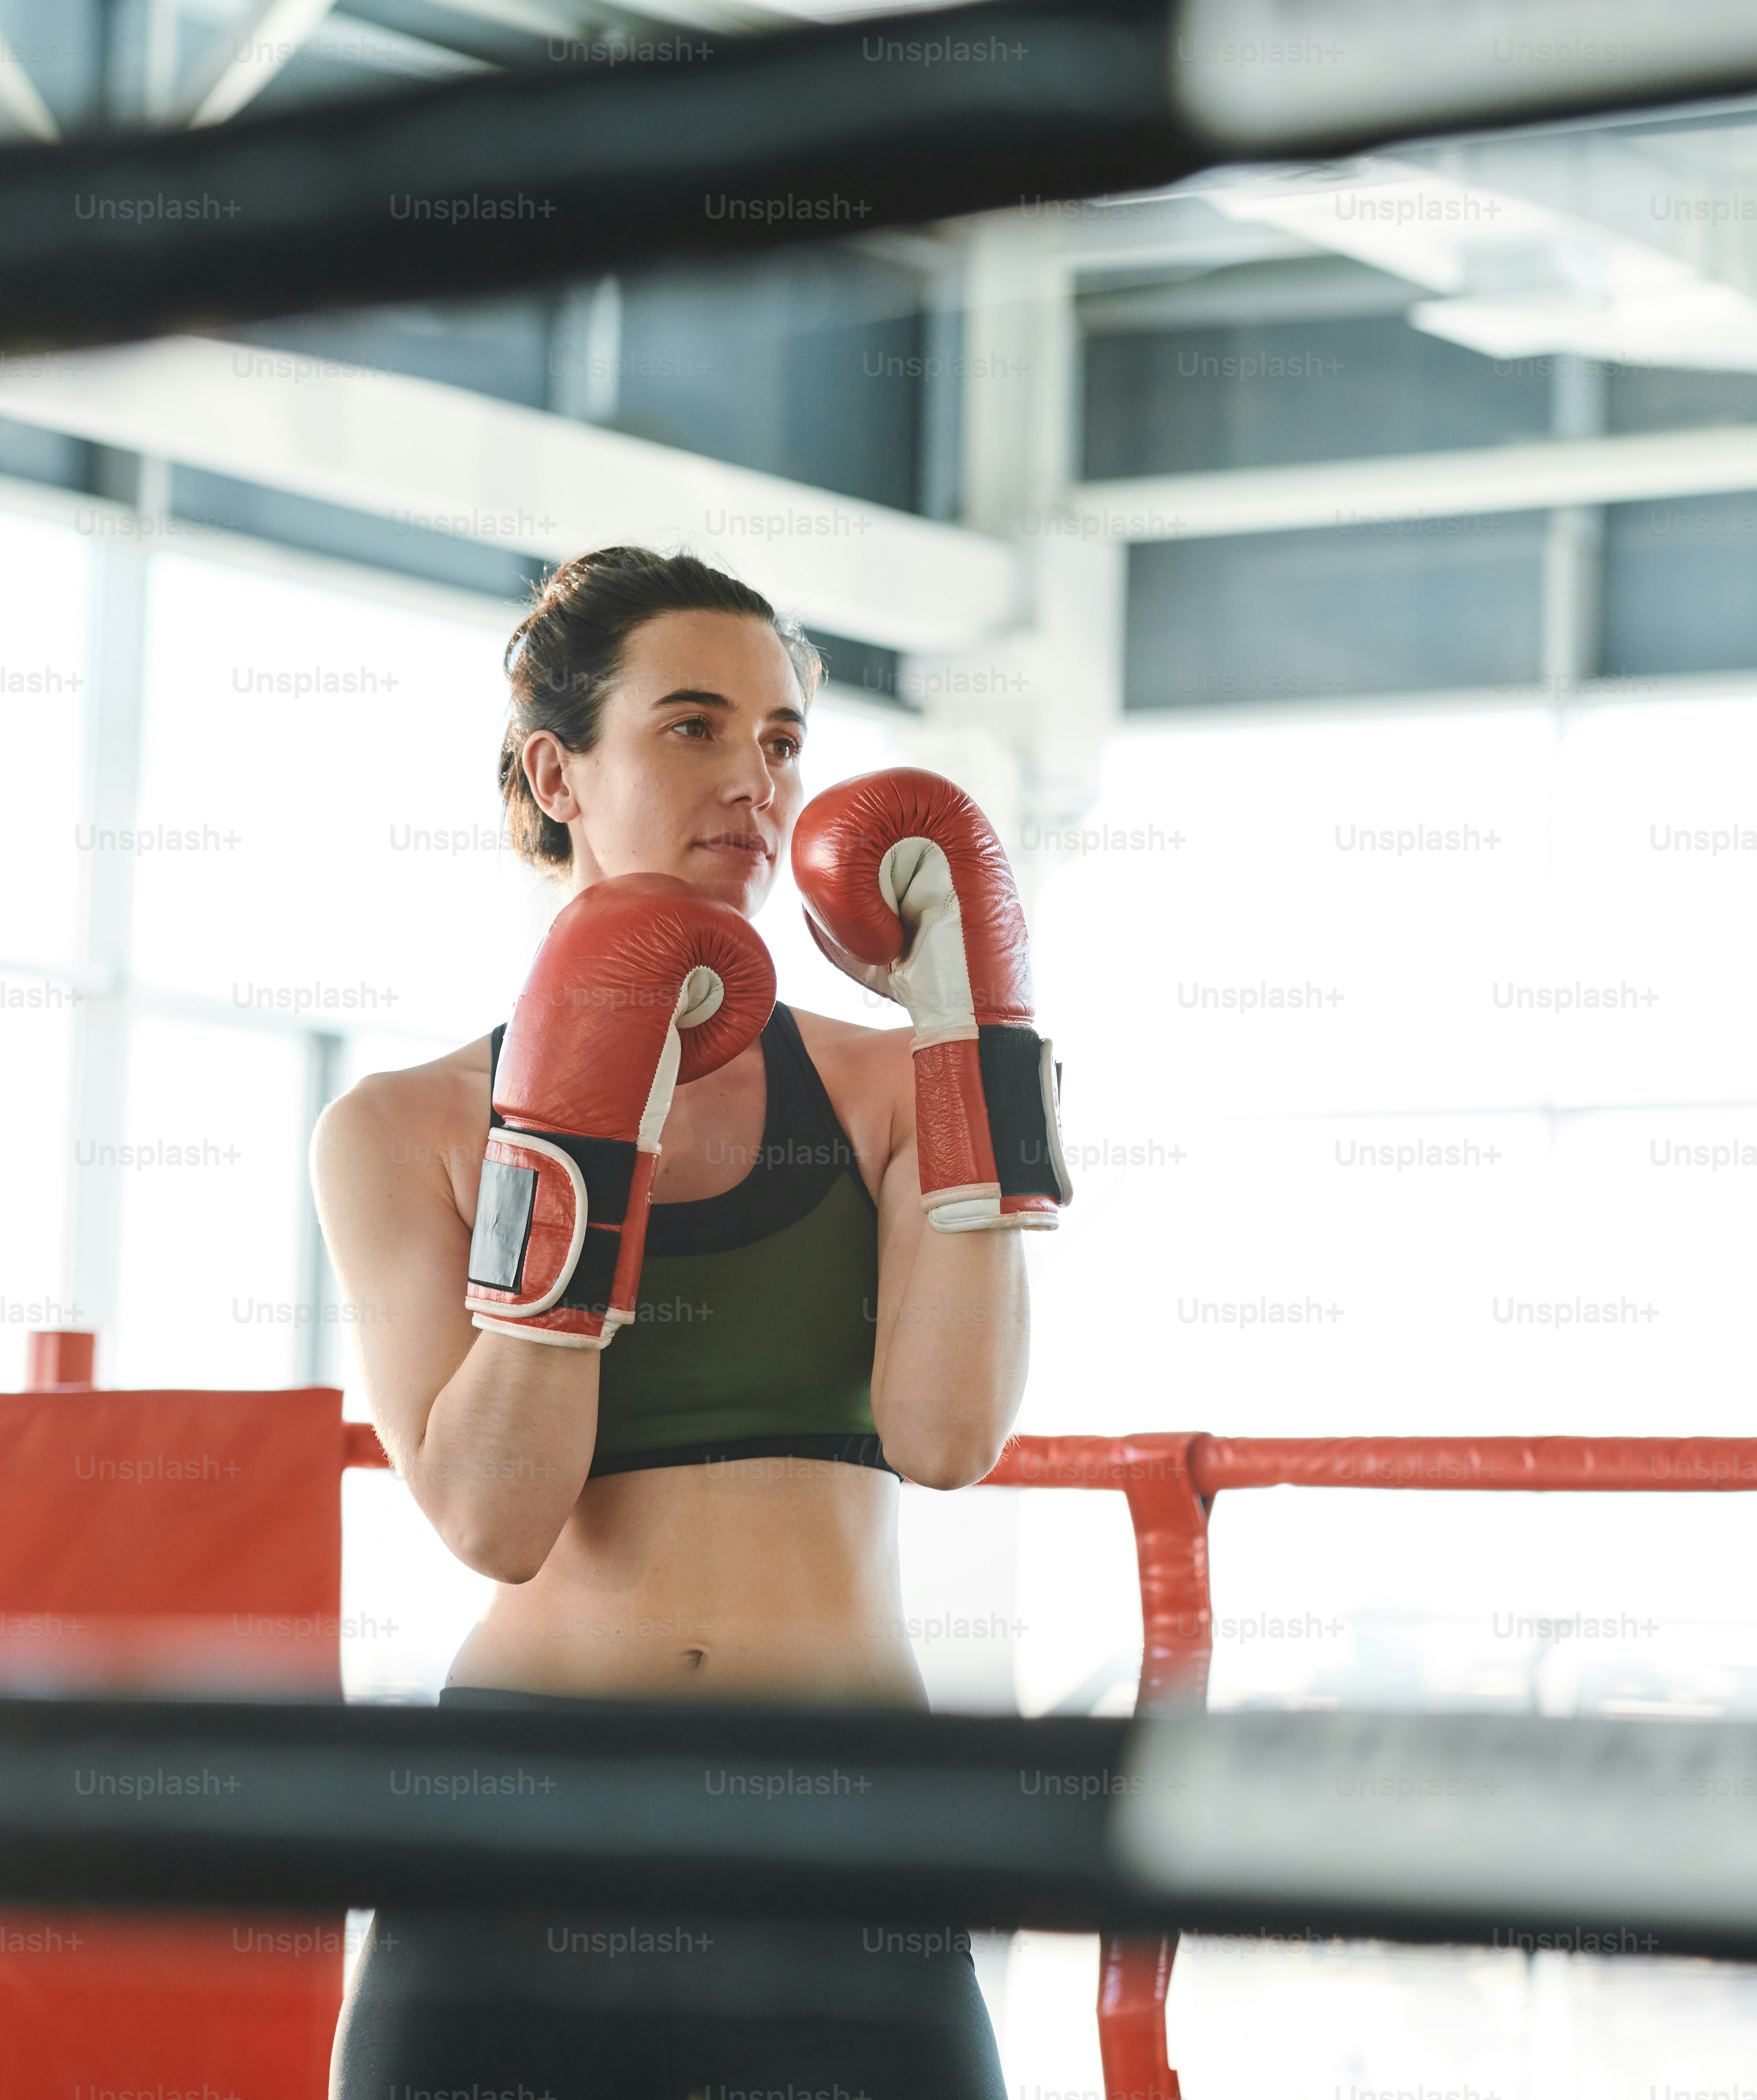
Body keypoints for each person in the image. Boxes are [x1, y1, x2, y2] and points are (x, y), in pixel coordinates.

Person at [312, 546, 1065, 2095]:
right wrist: (581, 1132)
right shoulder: (407, 1125)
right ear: (557, 770)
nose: (757, 783)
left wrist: (969, 1046)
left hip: (843, 1823)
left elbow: (946, 1435)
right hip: (524, 1818)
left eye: (784, 740)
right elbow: (495, 1517)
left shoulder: (878, 1088)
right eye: (695, 726)